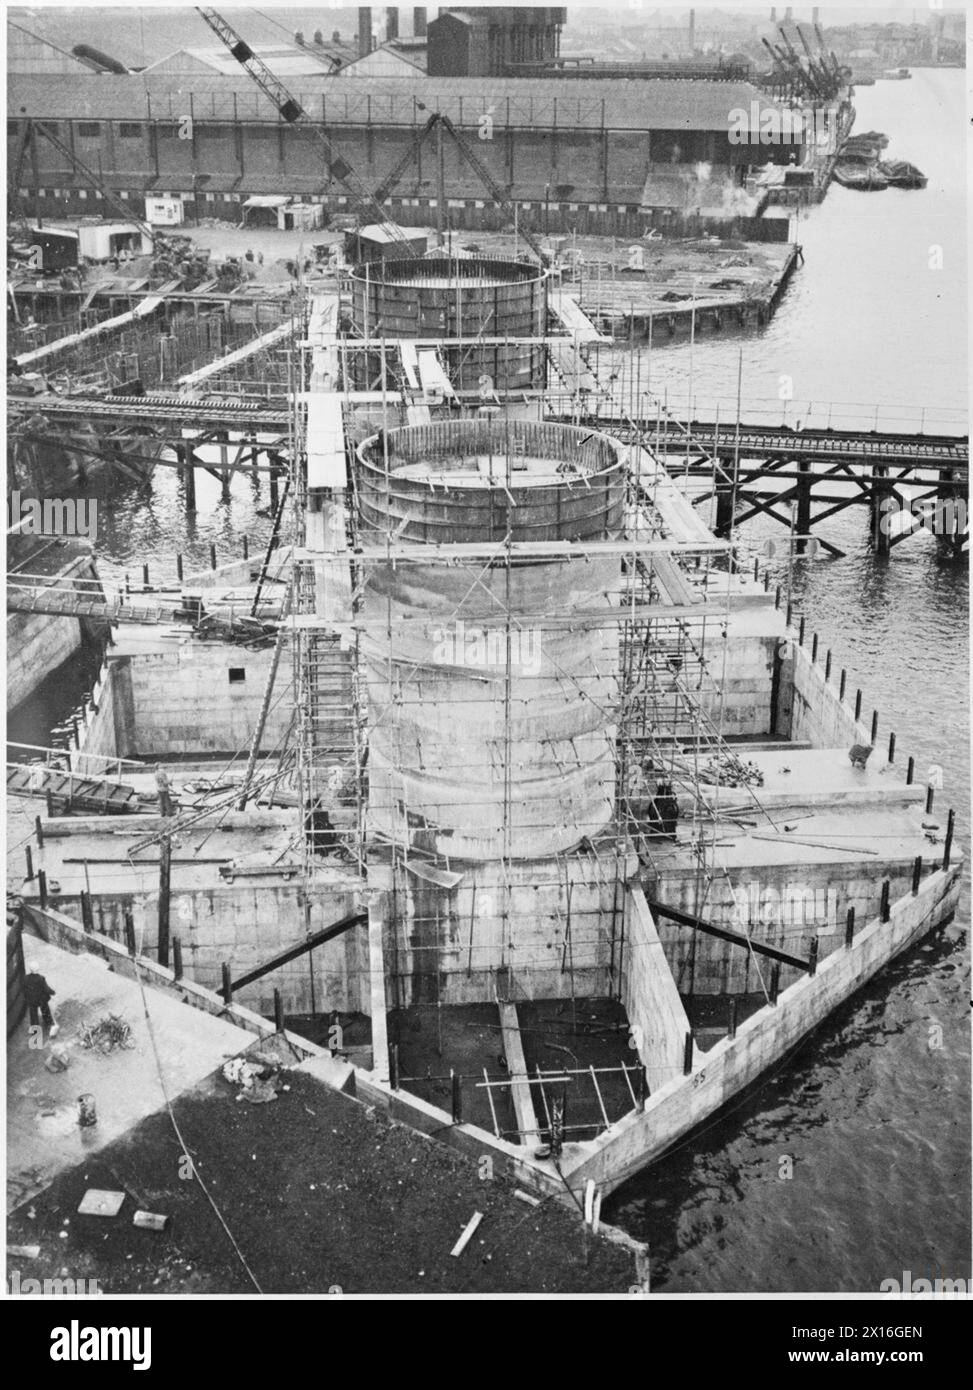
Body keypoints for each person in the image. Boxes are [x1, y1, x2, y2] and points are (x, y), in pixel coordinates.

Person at [25, 964, 58, 1038]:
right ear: (37, 969)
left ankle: (35, 1031)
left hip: (32, 999)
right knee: (45, 1010)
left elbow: (25, 988)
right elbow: (46, 989)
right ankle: (48, 1021)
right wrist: (53, 992)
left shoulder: (26, 978)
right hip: (41, 999)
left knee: (33, 1015)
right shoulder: (41, 978)